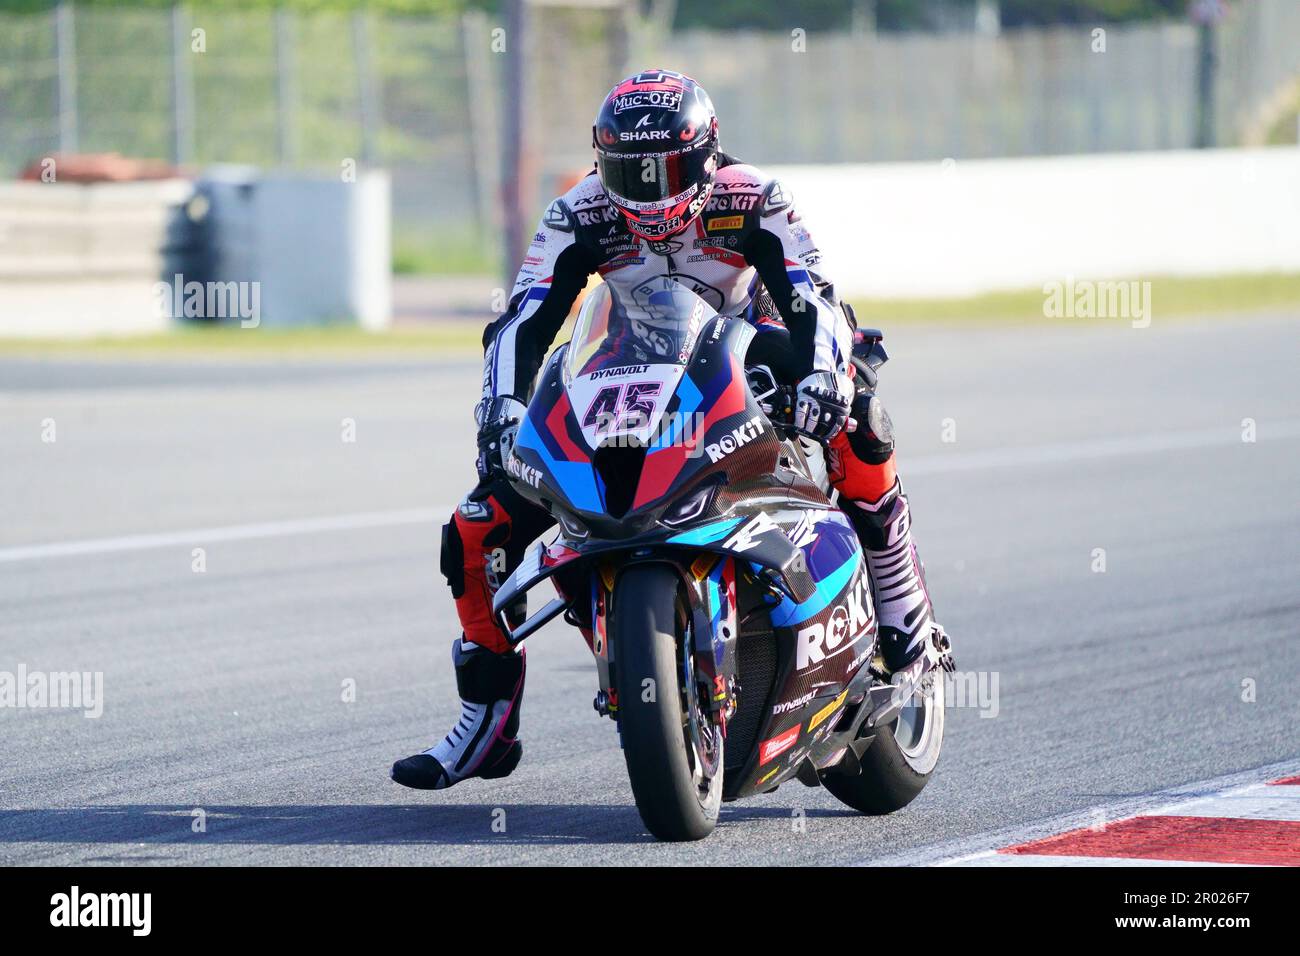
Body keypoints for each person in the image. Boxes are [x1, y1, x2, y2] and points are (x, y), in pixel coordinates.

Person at [392, 69, 939, 791]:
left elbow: (810, 294)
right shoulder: (578, 213)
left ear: (707, 154)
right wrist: (501, 409)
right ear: (600, 160)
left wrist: (824, 378)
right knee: (473, 529)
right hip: (633, 374)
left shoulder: (754, 196)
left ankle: (904, 616)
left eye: (668, 169)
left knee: (862, 419)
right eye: (629, 170)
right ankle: (488, 719)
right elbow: (524, 320)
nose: (649, 191)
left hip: (755, 356)